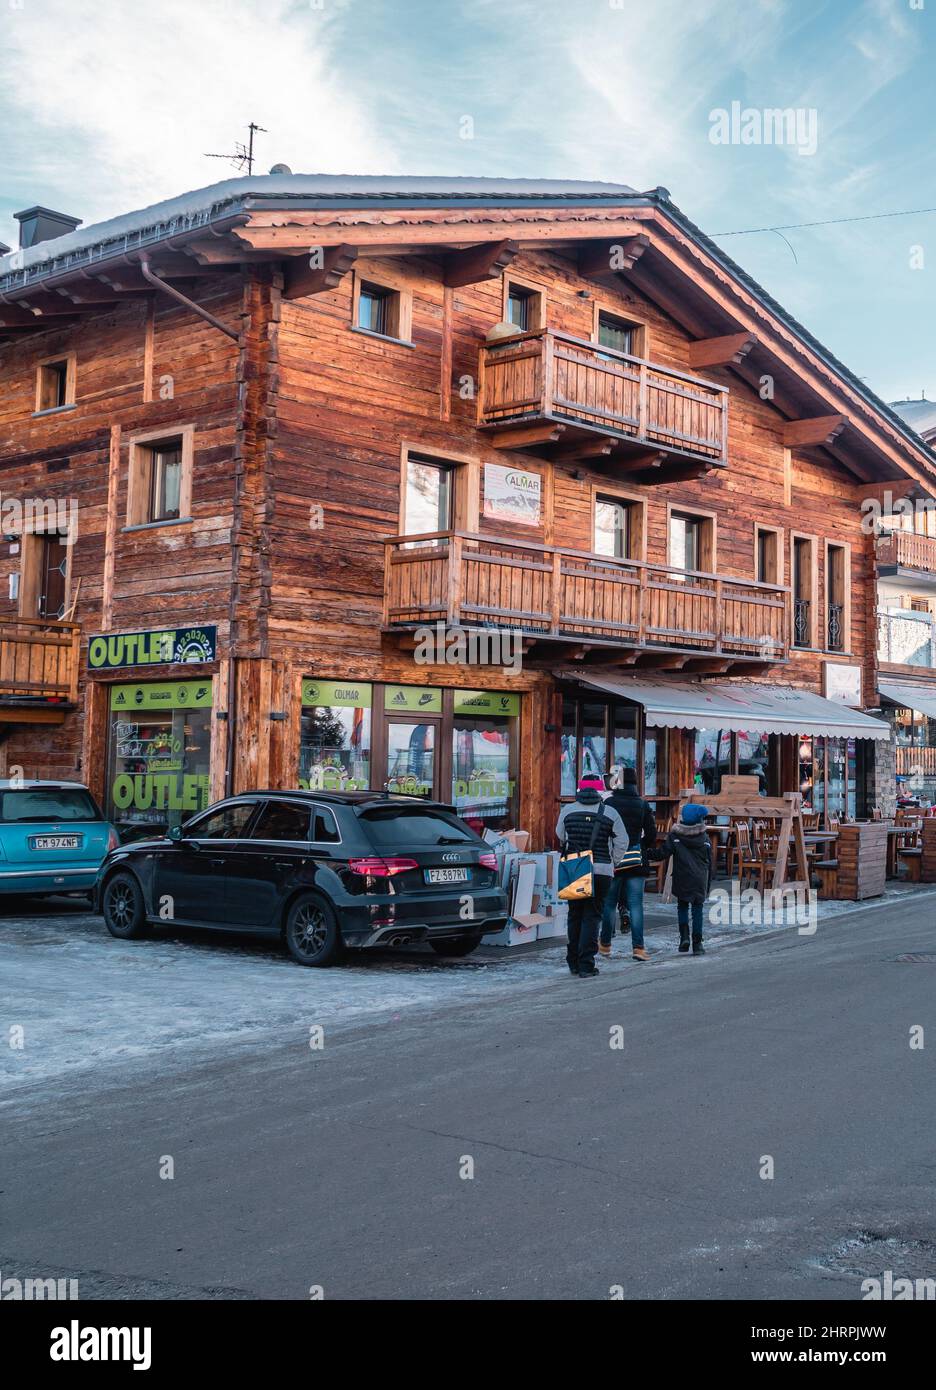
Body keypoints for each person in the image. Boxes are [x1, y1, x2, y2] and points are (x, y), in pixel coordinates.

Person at [555, 775, 628, 979]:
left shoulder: (567, 810)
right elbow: (623, 840)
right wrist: (613, 860)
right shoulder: (610, 812)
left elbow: (560, 835)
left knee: (575, 915)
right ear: (598, 792)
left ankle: (573, 962)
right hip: (601, 870)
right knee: (592, 917)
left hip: (575, 869)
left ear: (579, 791)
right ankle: (587, 964)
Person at [599, 766, 657, 962]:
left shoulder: (609, 803)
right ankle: (638, 949)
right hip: (636, 860)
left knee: (609, 904)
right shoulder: (642, 804)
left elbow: (603, 830)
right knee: (636, 905)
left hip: (613, 860)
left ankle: (605, 945)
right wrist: (640, 846)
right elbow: (651, 835)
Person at [652, 802, 712, 955]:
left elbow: (663, 853)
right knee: (697, 910)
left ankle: (684, 938)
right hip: (699, 878)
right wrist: (708, 884)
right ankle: (697, 944)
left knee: (682, 906)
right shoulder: (705, 838)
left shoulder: (675, 836)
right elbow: (709, 862)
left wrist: (646, 853)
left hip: (681, 876)